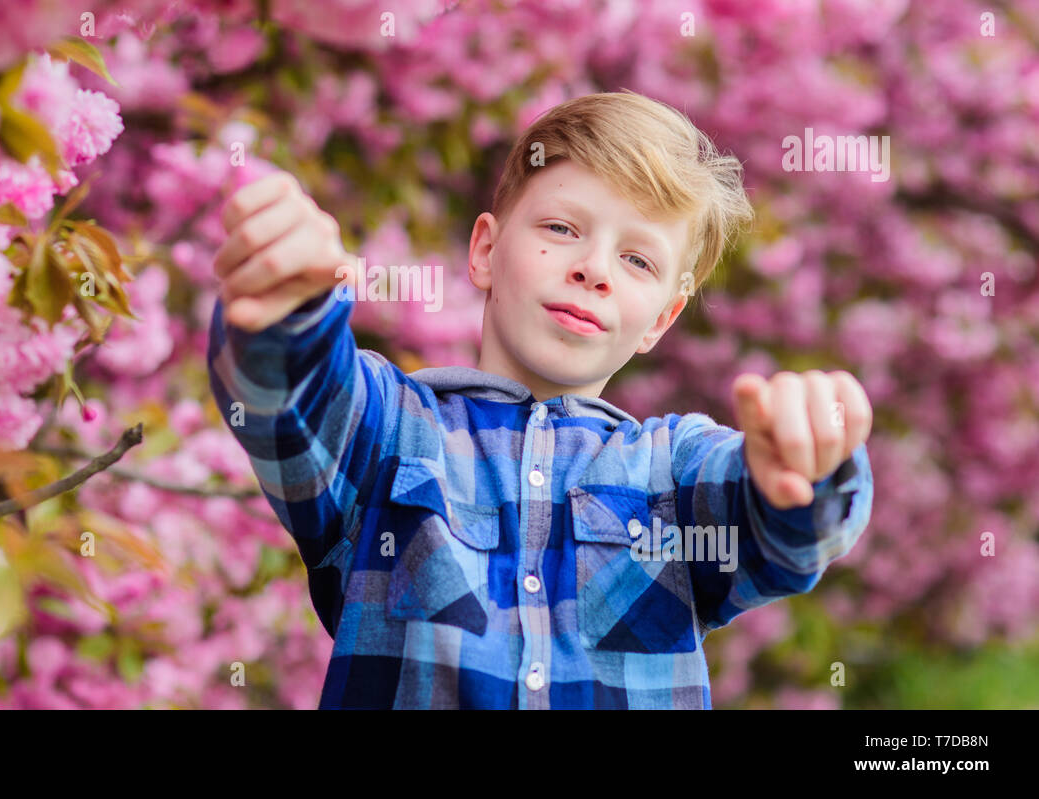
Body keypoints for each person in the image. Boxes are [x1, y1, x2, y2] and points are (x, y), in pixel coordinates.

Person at [206, 90, 874, 709]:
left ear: (660, 322)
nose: (595, 269)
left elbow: (775, 528)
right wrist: (286, 305)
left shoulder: (674, 474)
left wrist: (809, 460)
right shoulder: (390, 434)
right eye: (561, 227)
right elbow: (291, 395)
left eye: (638, 260)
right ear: (486, 250)